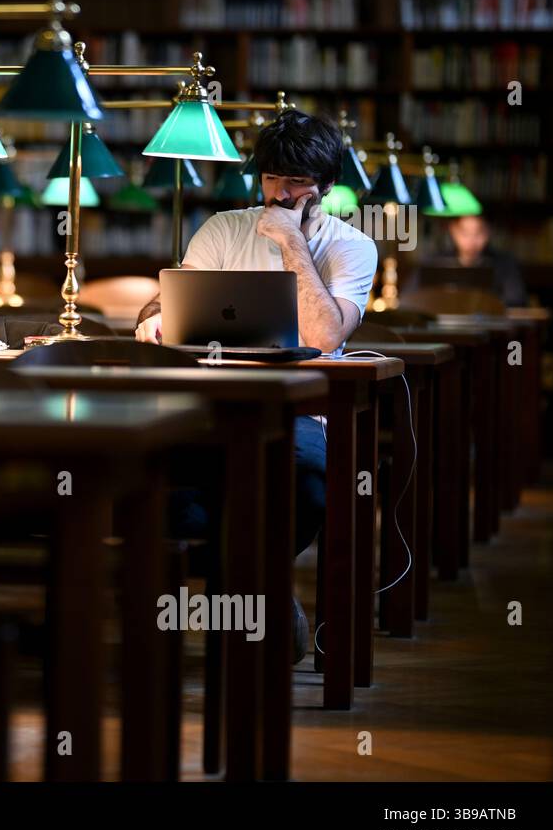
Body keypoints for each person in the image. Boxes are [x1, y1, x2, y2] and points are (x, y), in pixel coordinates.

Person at [135, 110, 379, 664]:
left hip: (299, 411)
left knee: (306, 481)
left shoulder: (351, 246)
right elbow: (169, 298)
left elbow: (322, 336)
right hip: (206, 405)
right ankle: (266, 593)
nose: (281, 192)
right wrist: (155, 317)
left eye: (296, 183)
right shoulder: (223, 228)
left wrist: (292, 243)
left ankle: (251, 603)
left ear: (326, 188)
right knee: (174, 497)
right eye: (272, 179)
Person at [438, 215, 526, 307]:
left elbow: (516, 300)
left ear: (488, 231)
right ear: (453, 230)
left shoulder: (505, 263)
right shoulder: (438, 263)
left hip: (491, 318)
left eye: (478, 234)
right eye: (465, 233)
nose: (471, 241)